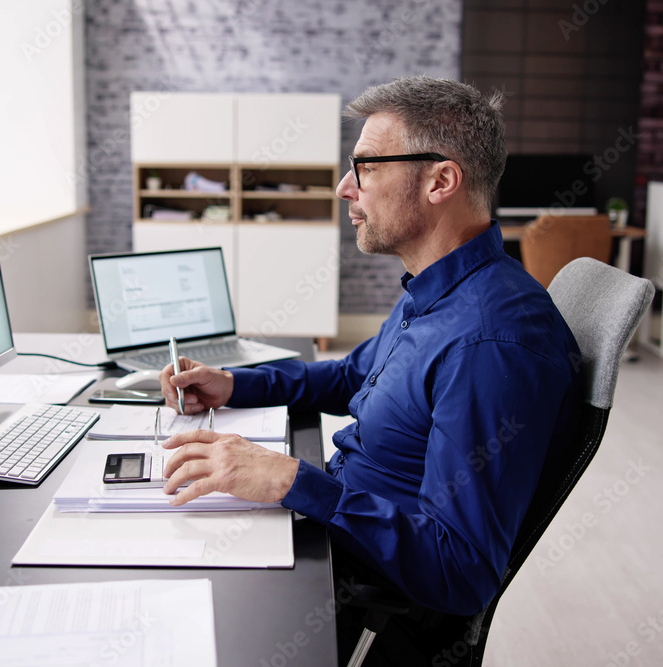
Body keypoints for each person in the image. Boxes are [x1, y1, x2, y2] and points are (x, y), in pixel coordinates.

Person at [157, 76, 581, 659]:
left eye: (366, 168)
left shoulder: (491, 342)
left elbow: (460, 571)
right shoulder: (436, 288)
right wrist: (233, 384)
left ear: (440, 181)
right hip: (339, 530)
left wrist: (291, 481)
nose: (343, 188)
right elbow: (355, 375)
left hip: (362, 595)